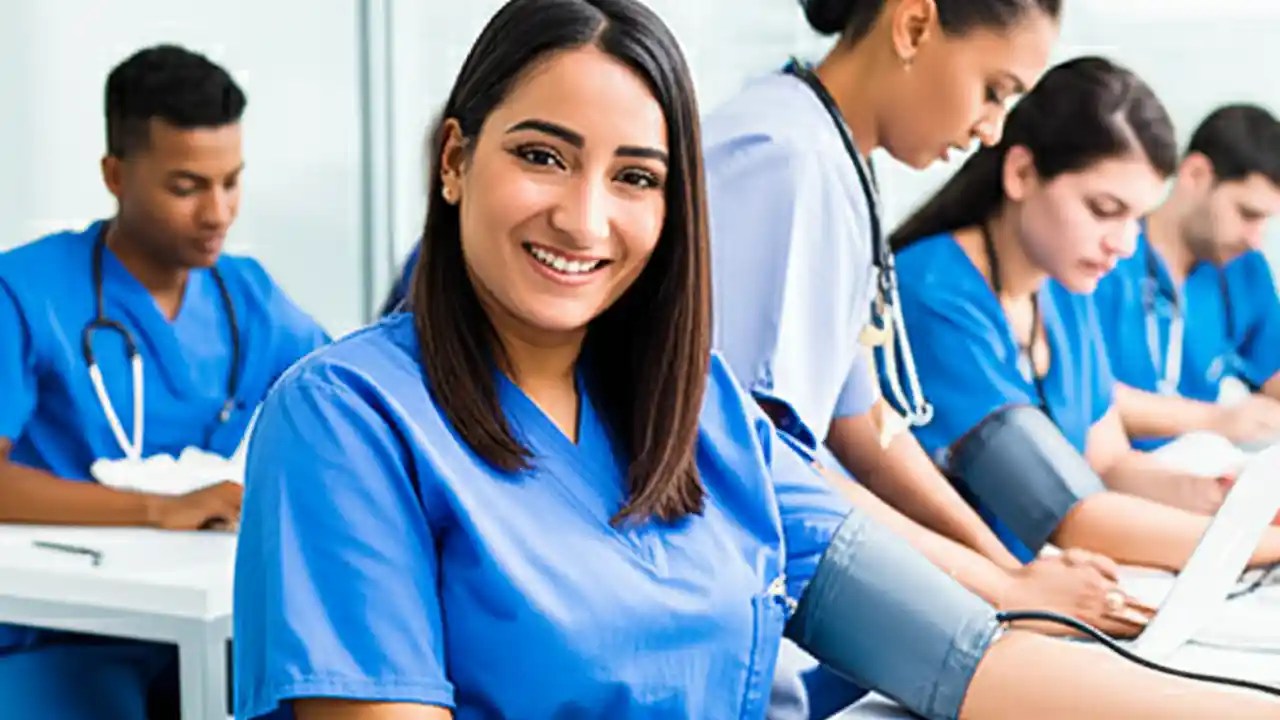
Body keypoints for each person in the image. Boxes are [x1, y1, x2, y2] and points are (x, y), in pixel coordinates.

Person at [232, 2, 1280, 719]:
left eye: (635, 177)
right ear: (457, 160)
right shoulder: (346, 420)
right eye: (541, 156)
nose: (585, 216)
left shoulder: (704, 416)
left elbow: (967, 662)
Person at [702, 1, 1131, 714]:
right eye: (994, 91)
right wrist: (1007, 589)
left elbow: (863, 423)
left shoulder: (834, 157)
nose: (992, 129)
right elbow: (755, 464)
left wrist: (1011, 571)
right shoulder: (782, 158)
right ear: (913, 26)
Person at [0, 45, 329, 718]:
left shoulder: (249, 298)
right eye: (187, 187)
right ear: (115, 175)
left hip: (217, 624)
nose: (218, 213)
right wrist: (160, 509)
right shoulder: (26, 292)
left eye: (231, 181)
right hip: (66, 632)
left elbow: (345, 403)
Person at [886, 57, 1280, 574]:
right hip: (953, 601)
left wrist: (1218, 497)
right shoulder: (935, 294)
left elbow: (1109, 462)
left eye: (1136, 218)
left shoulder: (1063, 288)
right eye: (1103, 210)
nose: (1123, 244)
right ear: (1022, 173)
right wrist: (1252, 544)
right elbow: (1071, 512)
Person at [1092, 104, 1280, 450]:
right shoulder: (1105, 257)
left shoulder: (1244, 269)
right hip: (1121, 471)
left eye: (1266, 221)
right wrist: (1219, 420)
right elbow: (1081, 393)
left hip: (1211, 468)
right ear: (1195, 175)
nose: (1256, 239)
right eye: (1247, 213)